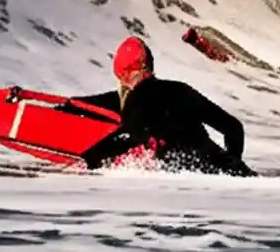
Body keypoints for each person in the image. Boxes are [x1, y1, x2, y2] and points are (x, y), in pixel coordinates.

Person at [67, 36, 255, 177]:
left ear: (123, 76)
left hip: (194, 181)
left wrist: (88, 159)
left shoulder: (135, 104)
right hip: (234, 172)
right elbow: (234, 128)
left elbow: (125, 138)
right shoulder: (182, 90)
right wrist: (234, 164)